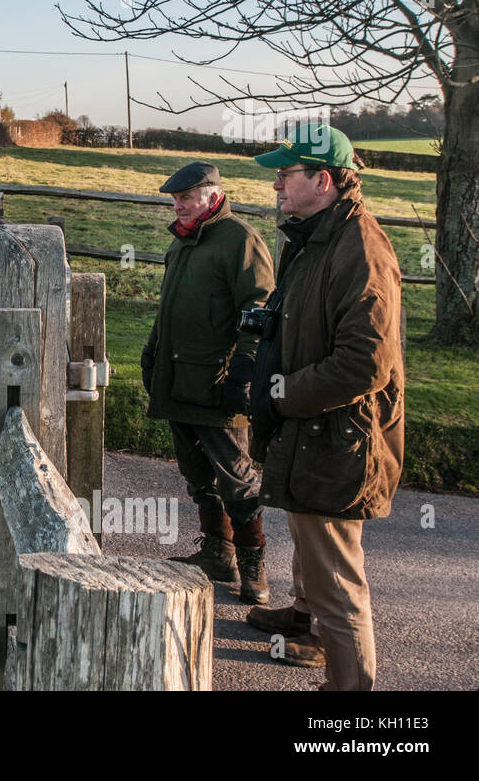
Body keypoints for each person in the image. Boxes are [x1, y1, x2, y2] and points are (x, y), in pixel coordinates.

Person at [244, 124, 403, 691]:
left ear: (325, 179)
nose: (277, 187)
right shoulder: (315, 237)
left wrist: (283, 393)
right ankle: (304, 623)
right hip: (313, 432)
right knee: (315, 548)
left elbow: (365, 363)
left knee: (338, 584)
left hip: (336, 438)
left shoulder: (358, 247)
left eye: (286, 175)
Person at [139, 161, 275, 603]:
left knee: (235, 475)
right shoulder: (181, 244)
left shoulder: (239, 239)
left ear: (213, 196)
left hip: (219, 382)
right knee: (196, 472)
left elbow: (261, 306)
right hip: (177, 377)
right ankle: (219, 553)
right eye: (175, 199)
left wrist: (245, 368)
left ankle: (254, 567)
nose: (178, 206)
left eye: (187, 198)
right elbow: (170, 307)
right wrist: (152, 350)